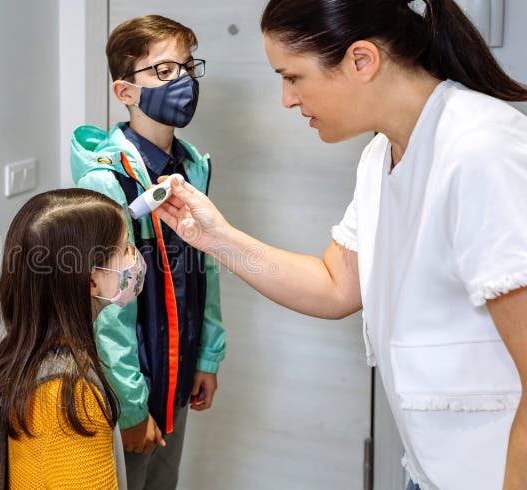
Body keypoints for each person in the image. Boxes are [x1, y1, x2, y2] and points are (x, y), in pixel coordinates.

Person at [154, 1, 527, 489]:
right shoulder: (381, 155)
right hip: (432, 470)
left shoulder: (482, 151)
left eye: (293, 77)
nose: (287, 99)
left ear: (361, 60)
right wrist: (213, 237)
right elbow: (335, 286)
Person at [70, 14, 226, 489]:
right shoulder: (107, 180)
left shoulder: (192, 166)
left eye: (187, 68)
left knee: (165, 481)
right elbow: (106, 309)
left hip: (180, 370)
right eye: (163, 72)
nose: (182, 82)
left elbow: (206, 264)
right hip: (131, 384)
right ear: (125, 92)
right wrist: (132, 408)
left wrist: (207, 357)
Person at [0, 188, 146, 489]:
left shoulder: (21, 353)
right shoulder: (72, 401)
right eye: (125, 248)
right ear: (91, 280)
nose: (135, 256)